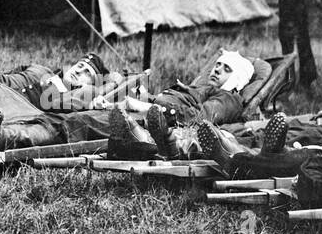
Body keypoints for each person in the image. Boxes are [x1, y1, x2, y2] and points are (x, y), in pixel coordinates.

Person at [88, 49, 260, 158]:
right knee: (85, 116)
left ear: (237, 78)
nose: (217, 69)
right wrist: (113, 104)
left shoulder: (229, 98)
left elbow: (200, 119)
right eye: (218, 65)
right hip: (137, 114)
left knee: (81, 122)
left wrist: (148, 107)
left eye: (226, 69)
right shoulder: (202, 89)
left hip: (150, 124)